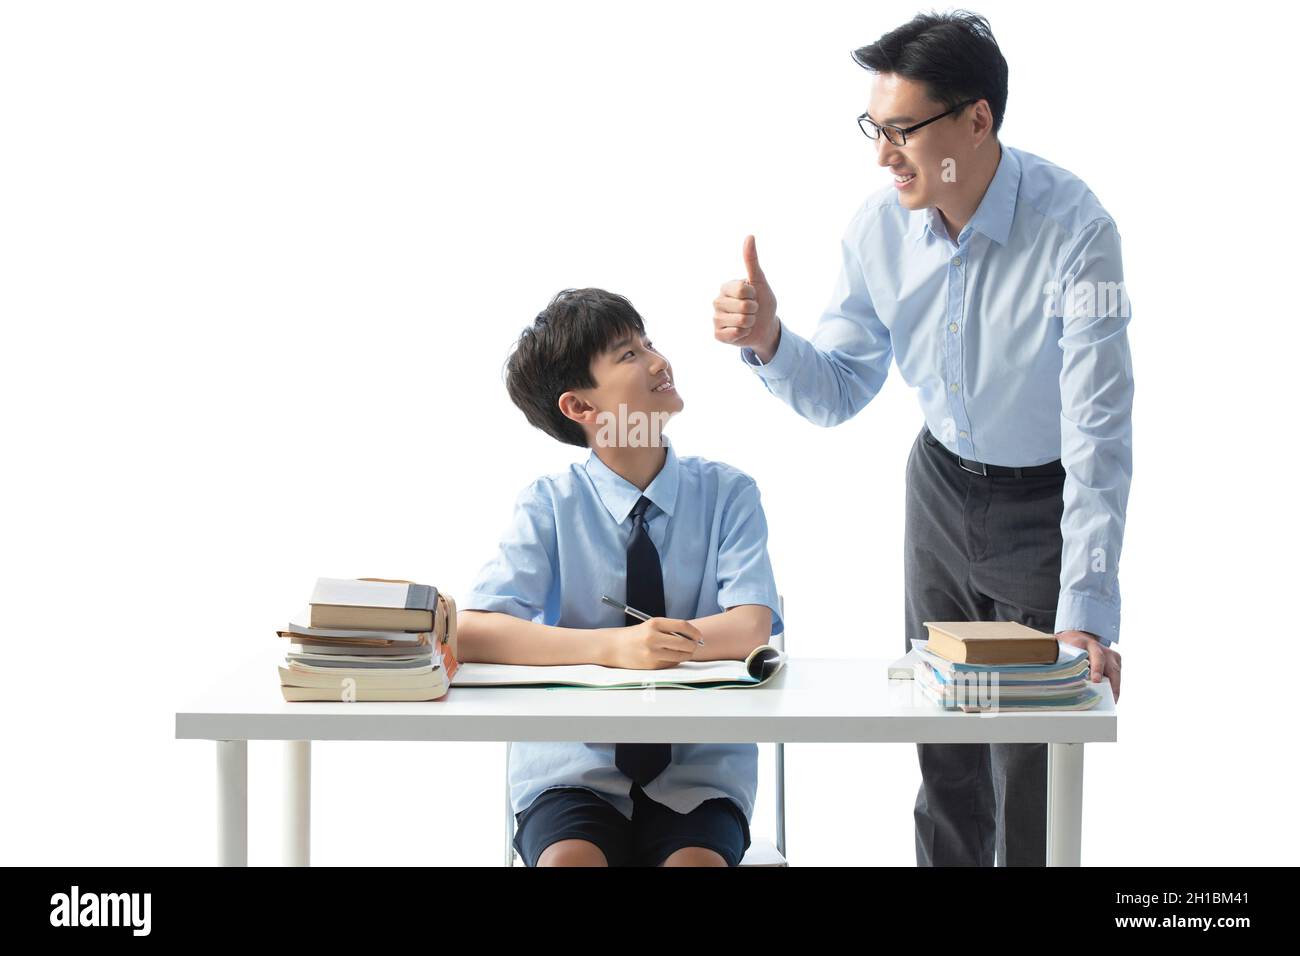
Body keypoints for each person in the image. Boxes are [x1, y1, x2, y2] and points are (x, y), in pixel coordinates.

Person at [712, 10, 1131, 866]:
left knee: (1029, 765)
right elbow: (840, 391)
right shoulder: (877, 229)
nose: (881, 154)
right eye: (875, 128)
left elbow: (1098, 428)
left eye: (902, 130)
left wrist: (1086, 611)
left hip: (1041, 504)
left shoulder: (1078, 233)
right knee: (944, 742)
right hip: (938, 490)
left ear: (977, 120)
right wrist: (770, 342)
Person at [460, 287, 783, 866]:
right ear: (580, 408)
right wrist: (615, 646)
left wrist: (662, 645)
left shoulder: (729, 494)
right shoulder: (549, 505)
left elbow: (751, 626)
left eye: (648, 343)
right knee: (571, 861)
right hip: (570, 771)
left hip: (699, 771)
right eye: (628, 355)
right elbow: (474, 630)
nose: (659, 362)